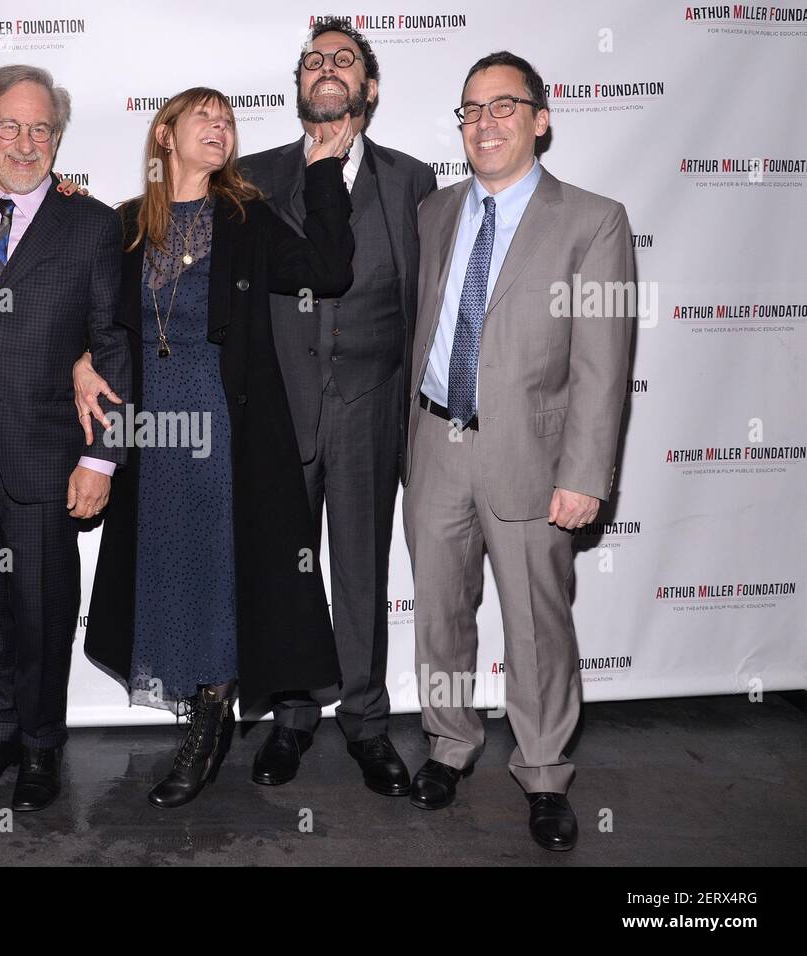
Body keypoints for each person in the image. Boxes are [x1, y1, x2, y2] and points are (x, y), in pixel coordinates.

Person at [75, 87, 353, 808]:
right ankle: (203, 705)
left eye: (228, 119)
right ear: (164, 135)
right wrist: (81, 358)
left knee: (222, 573)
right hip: (152, 432)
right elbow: (94, 312)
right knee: (167, 570)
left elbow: (328, 272)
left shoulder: (245, 217)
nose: (220, 127)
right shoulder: (130, 223)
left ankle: (208, 720)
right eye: (205, 116)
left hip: (225, 428)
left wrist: (325, 173)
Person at [403, 51, 634, 850]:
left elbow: (605, 365)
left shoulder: (593, 220)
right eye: (472, 109)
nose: (486, 122)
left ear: (541, 118)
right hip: (435, 442)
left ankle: (542, 771)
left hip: (534, 462)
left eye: (505, 106)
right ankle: (448, 742)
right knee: (437, 615)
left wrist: (584, 475)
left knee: (537, 623)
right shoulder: (434, 212)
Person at [237, 17, 437, 795]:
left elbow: (424, 296)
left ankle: (366, 722)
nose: (327, 69)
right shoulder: (250, 175)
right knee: (288, 574)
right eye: (313, 60)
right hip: (280, 410)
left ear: (369, 87)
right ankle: (291, 719)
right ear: (298, 85)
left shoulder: (413, 179)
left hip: (369, 405)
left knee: (360, 571)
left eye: (343, 60)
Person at [0, 65, 131, 813]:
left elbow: (112, 346)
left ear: (58, 137)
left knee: (44, 610)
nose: (25, 142)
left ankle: (43, 745)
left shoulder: (91, 225)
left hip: (50, 455)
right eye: (9, 126)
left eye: (41, 128)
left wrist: (101, 457)